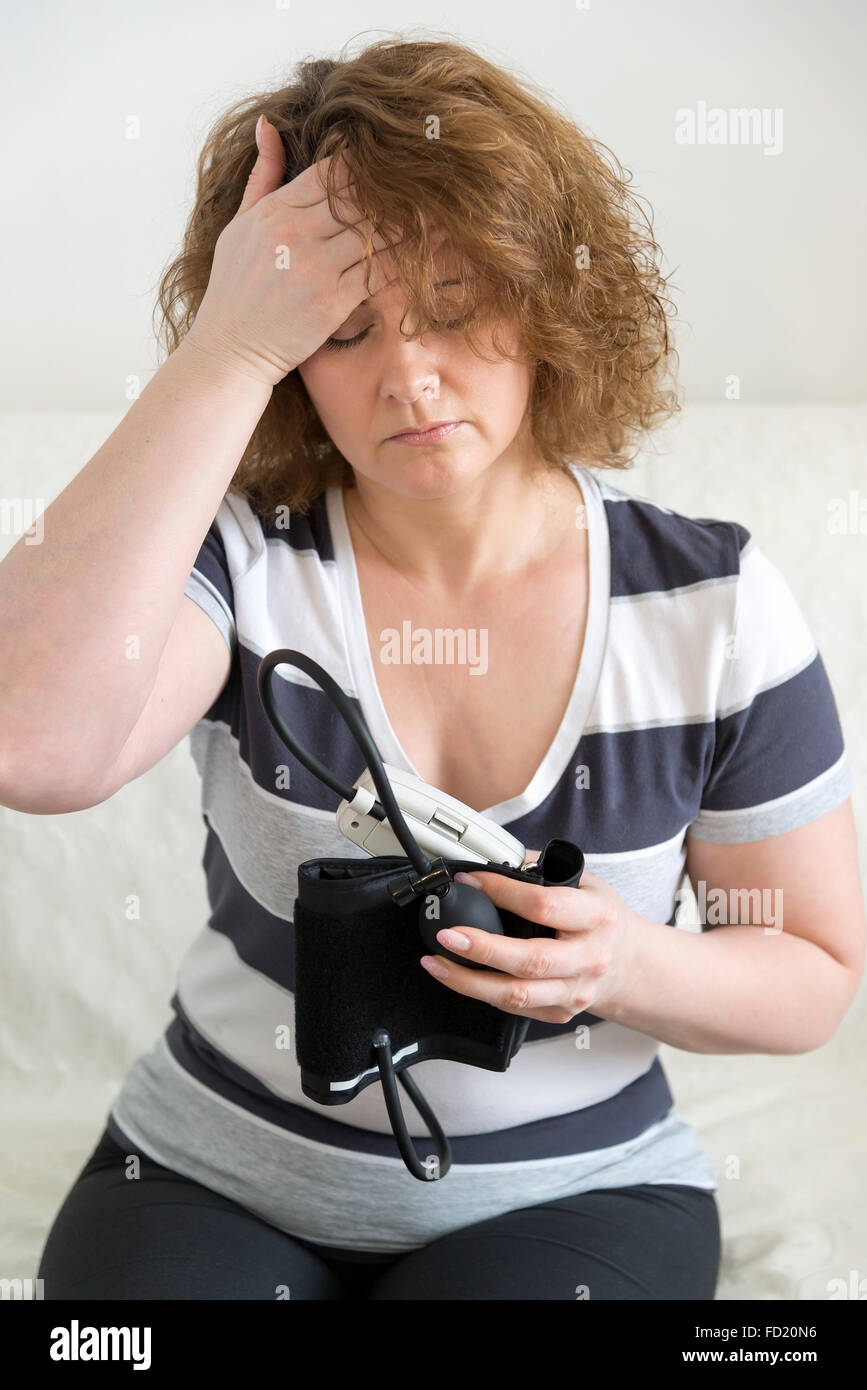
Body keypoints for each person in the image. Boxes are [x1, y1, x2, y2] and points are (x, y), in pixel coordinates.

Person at [3, 37, 862, 1301]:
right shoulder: (244, 564)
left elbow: (817, 975)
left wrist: (620, 964)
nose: (408, 375)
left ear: (544, 295)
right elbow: (31, 741)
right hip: (206, 1176)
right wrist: (225, 352)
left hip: (583, 1199)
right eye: (340, 330)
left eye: (454, 304)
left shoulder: (714, 607)